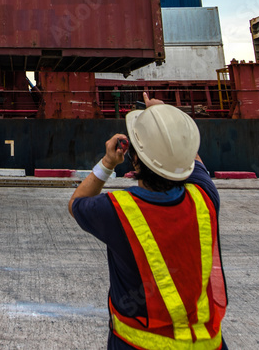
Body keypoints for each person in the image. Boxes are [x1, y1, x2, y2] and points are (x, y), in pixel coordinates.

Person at [70, 92, 228, 350]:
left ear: (134, 159)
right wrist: (165, 118)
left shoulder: (116, 210)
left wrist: (108, 162)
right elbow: (186, 156)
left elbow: (75, 203)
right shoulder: (206, 199)